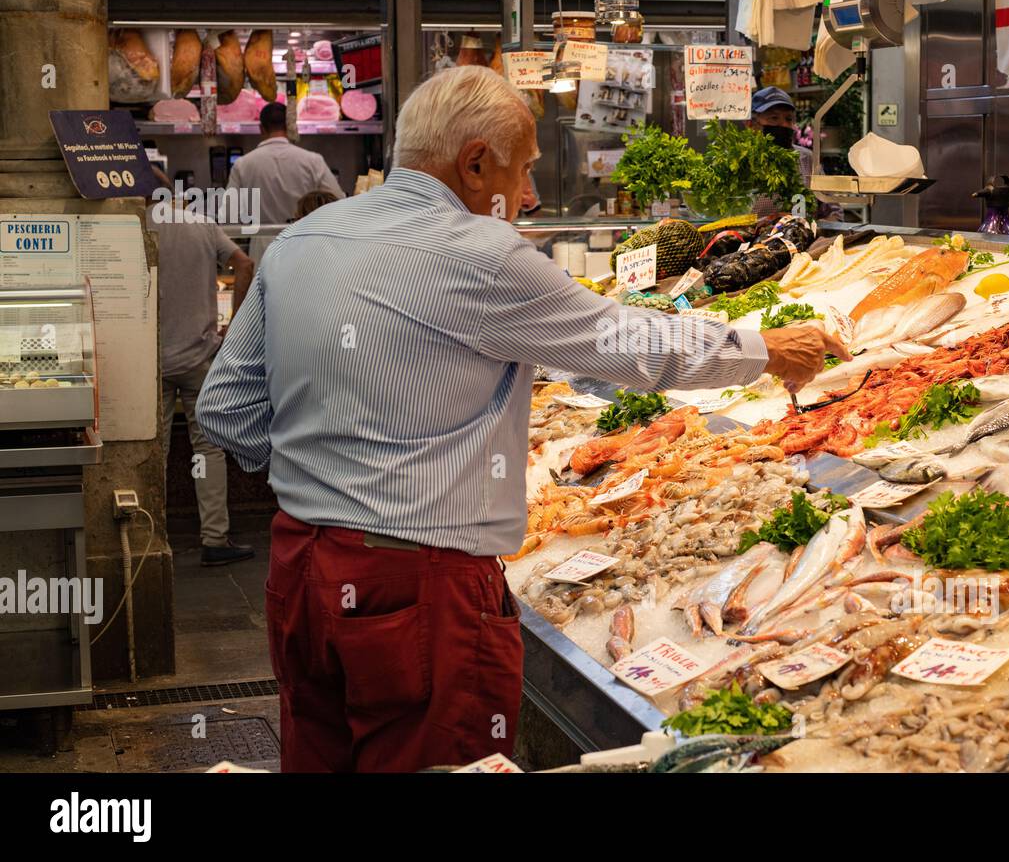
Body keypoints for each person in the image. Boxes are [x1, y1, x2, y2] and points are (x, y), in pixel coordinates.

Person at [195, 65, 847, 773]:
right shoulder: (481, 254)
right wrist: (766, 349)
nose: (530, 194)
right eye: (525, 169)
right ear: (475, 162)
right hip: (422, 590)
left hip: (299, 569)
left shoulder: (302, 241)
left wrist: (323, 478)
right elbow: (632, 343)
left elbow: (225, 407)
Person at [150, 166, 257, 567]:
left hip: (151, 360)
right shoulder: (200, 223)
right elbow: (244, 264)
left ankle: (151, 538)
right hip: (200, 357)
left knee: (153, 451)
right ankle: (214, 539)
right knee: (207, 449)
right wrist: (236, 325)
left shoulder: (130, 224)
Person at [226, 103, 344, 227]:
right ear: (289, 126)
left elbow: (229, 214)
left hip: (261, 243)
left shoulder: (242, 164)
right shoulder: (313, 160)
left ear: (261, 128)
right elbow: (338, 202)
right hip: (302, 239)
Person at [748, 86, 842, 221]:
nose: (784, 125)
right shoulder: (741, 163)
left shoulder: (807, 159)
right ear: (751, 124)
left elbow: (833, 210)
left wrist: (820, 229)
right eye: (774, 118)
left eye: (789, 119)